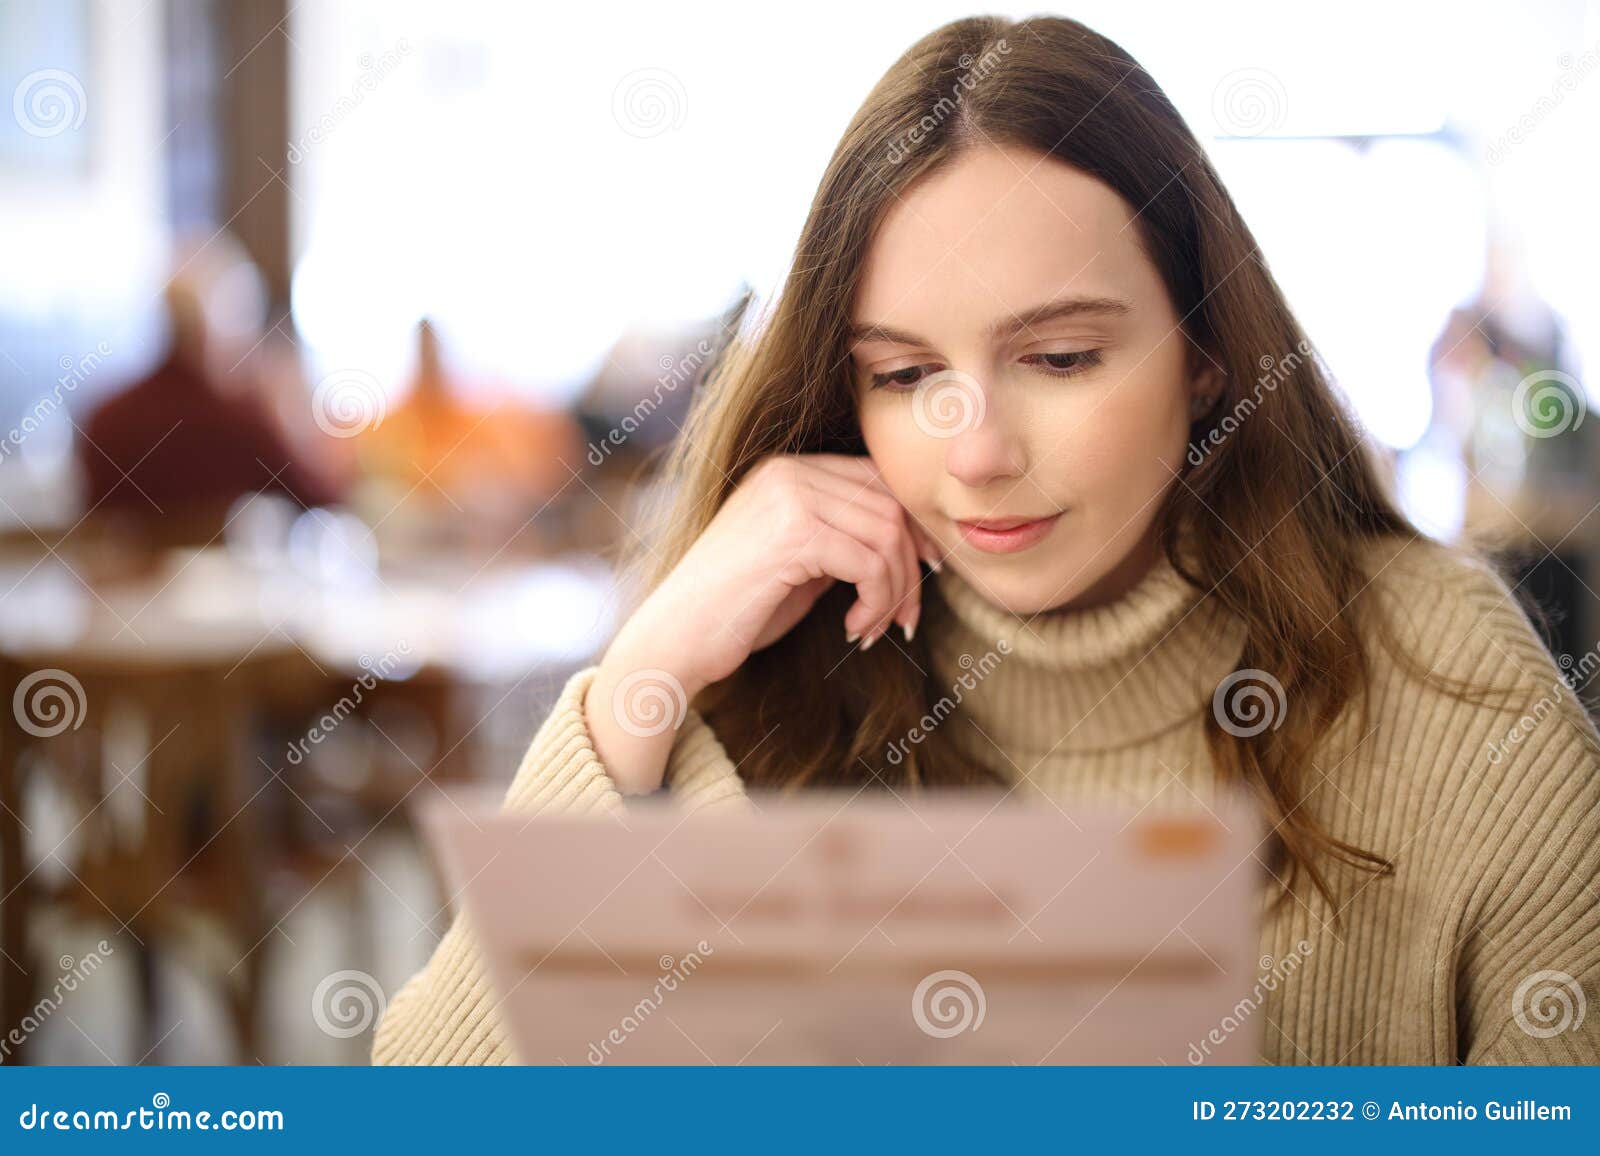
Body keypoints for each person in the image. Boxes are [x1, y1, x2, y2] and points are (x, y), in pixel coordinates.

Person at [374, 15, 1600, 1065]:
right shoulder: (765, 675)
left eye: (1060, 358)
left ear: (1207, 353)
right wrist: (644, 674)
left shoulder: (1440, 675)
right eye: (904, 374)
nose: (973, 453)